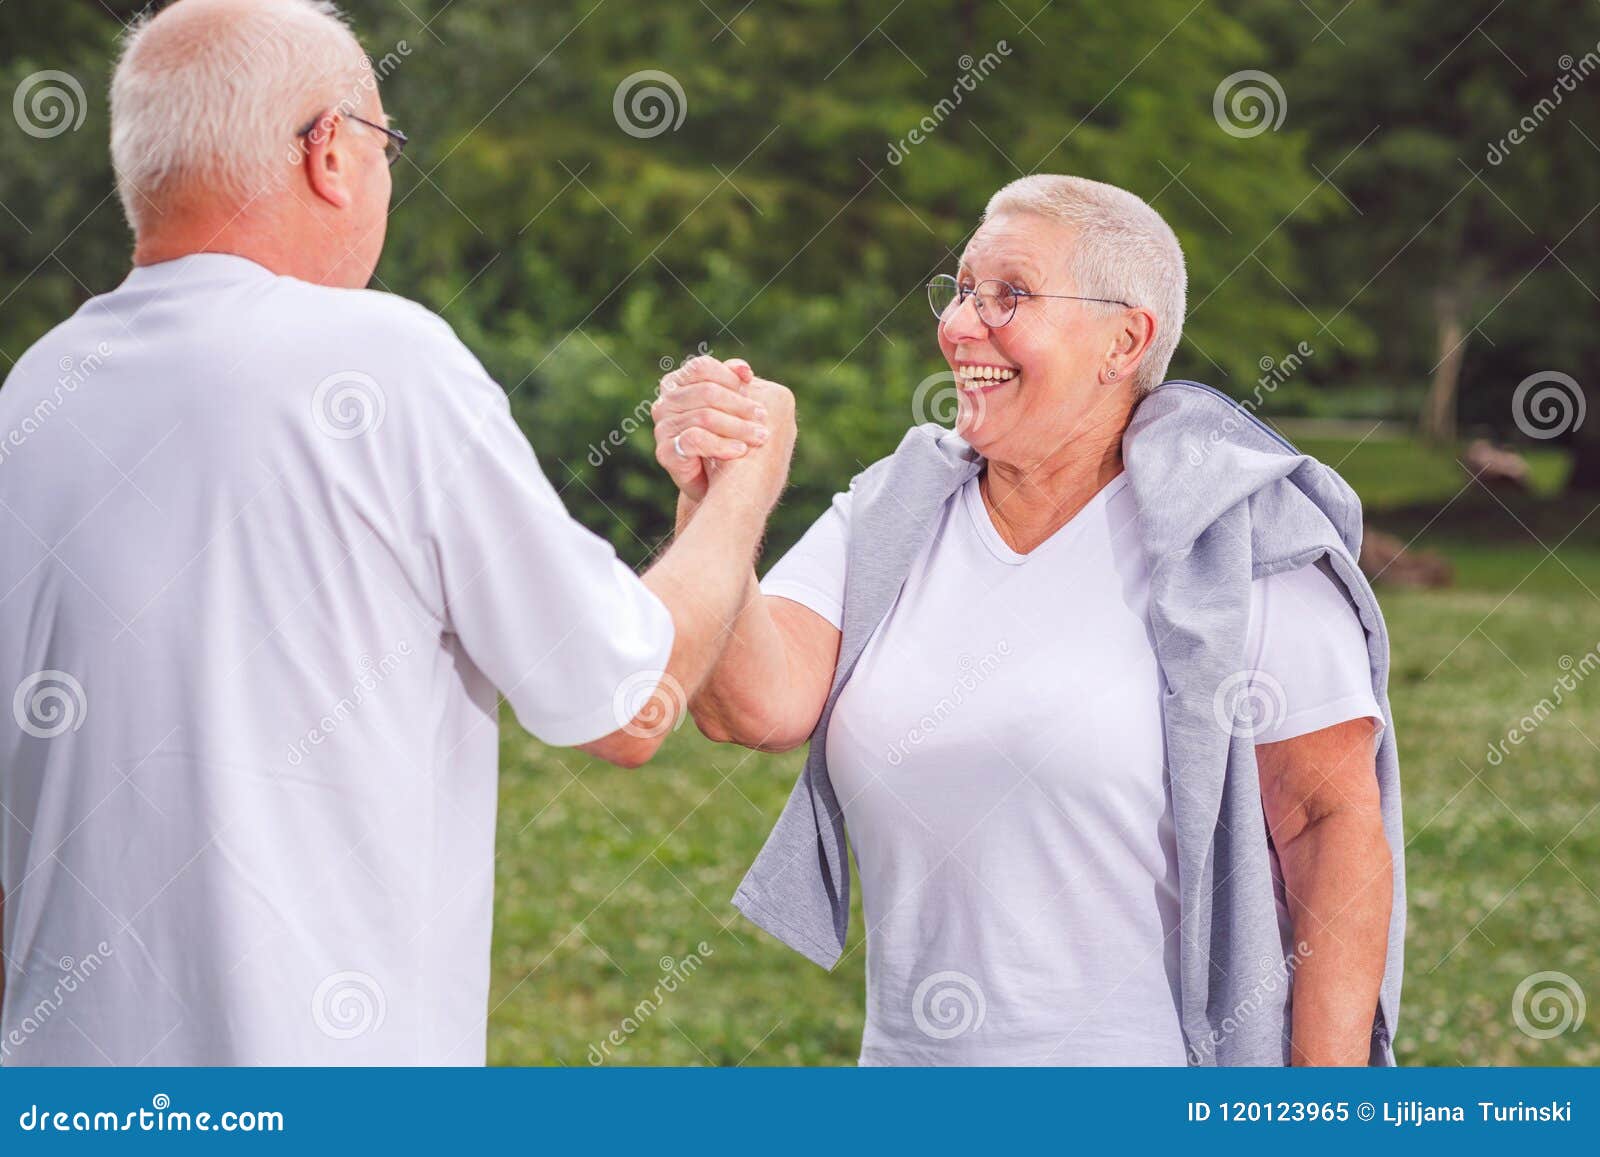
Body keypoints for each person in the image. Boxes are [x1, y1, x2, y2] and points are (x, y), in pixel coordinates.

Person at [0, 0, 792, 1065]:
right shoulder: (380, 361)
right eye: (384, 143)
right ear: (329, 149)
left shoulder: (36, 390)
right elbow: (627, 706)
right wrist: (740, 483)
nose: (385, 174)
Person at [652, 175, 1405, 1066]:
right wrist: (718, 498)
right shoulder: (891, 515)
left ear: (1125, 339)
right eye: (963, 289)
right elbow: (749, 707)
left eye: (1009, 295)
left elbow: (1329, 825)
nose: (962, 325)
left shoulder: (1240, 539)